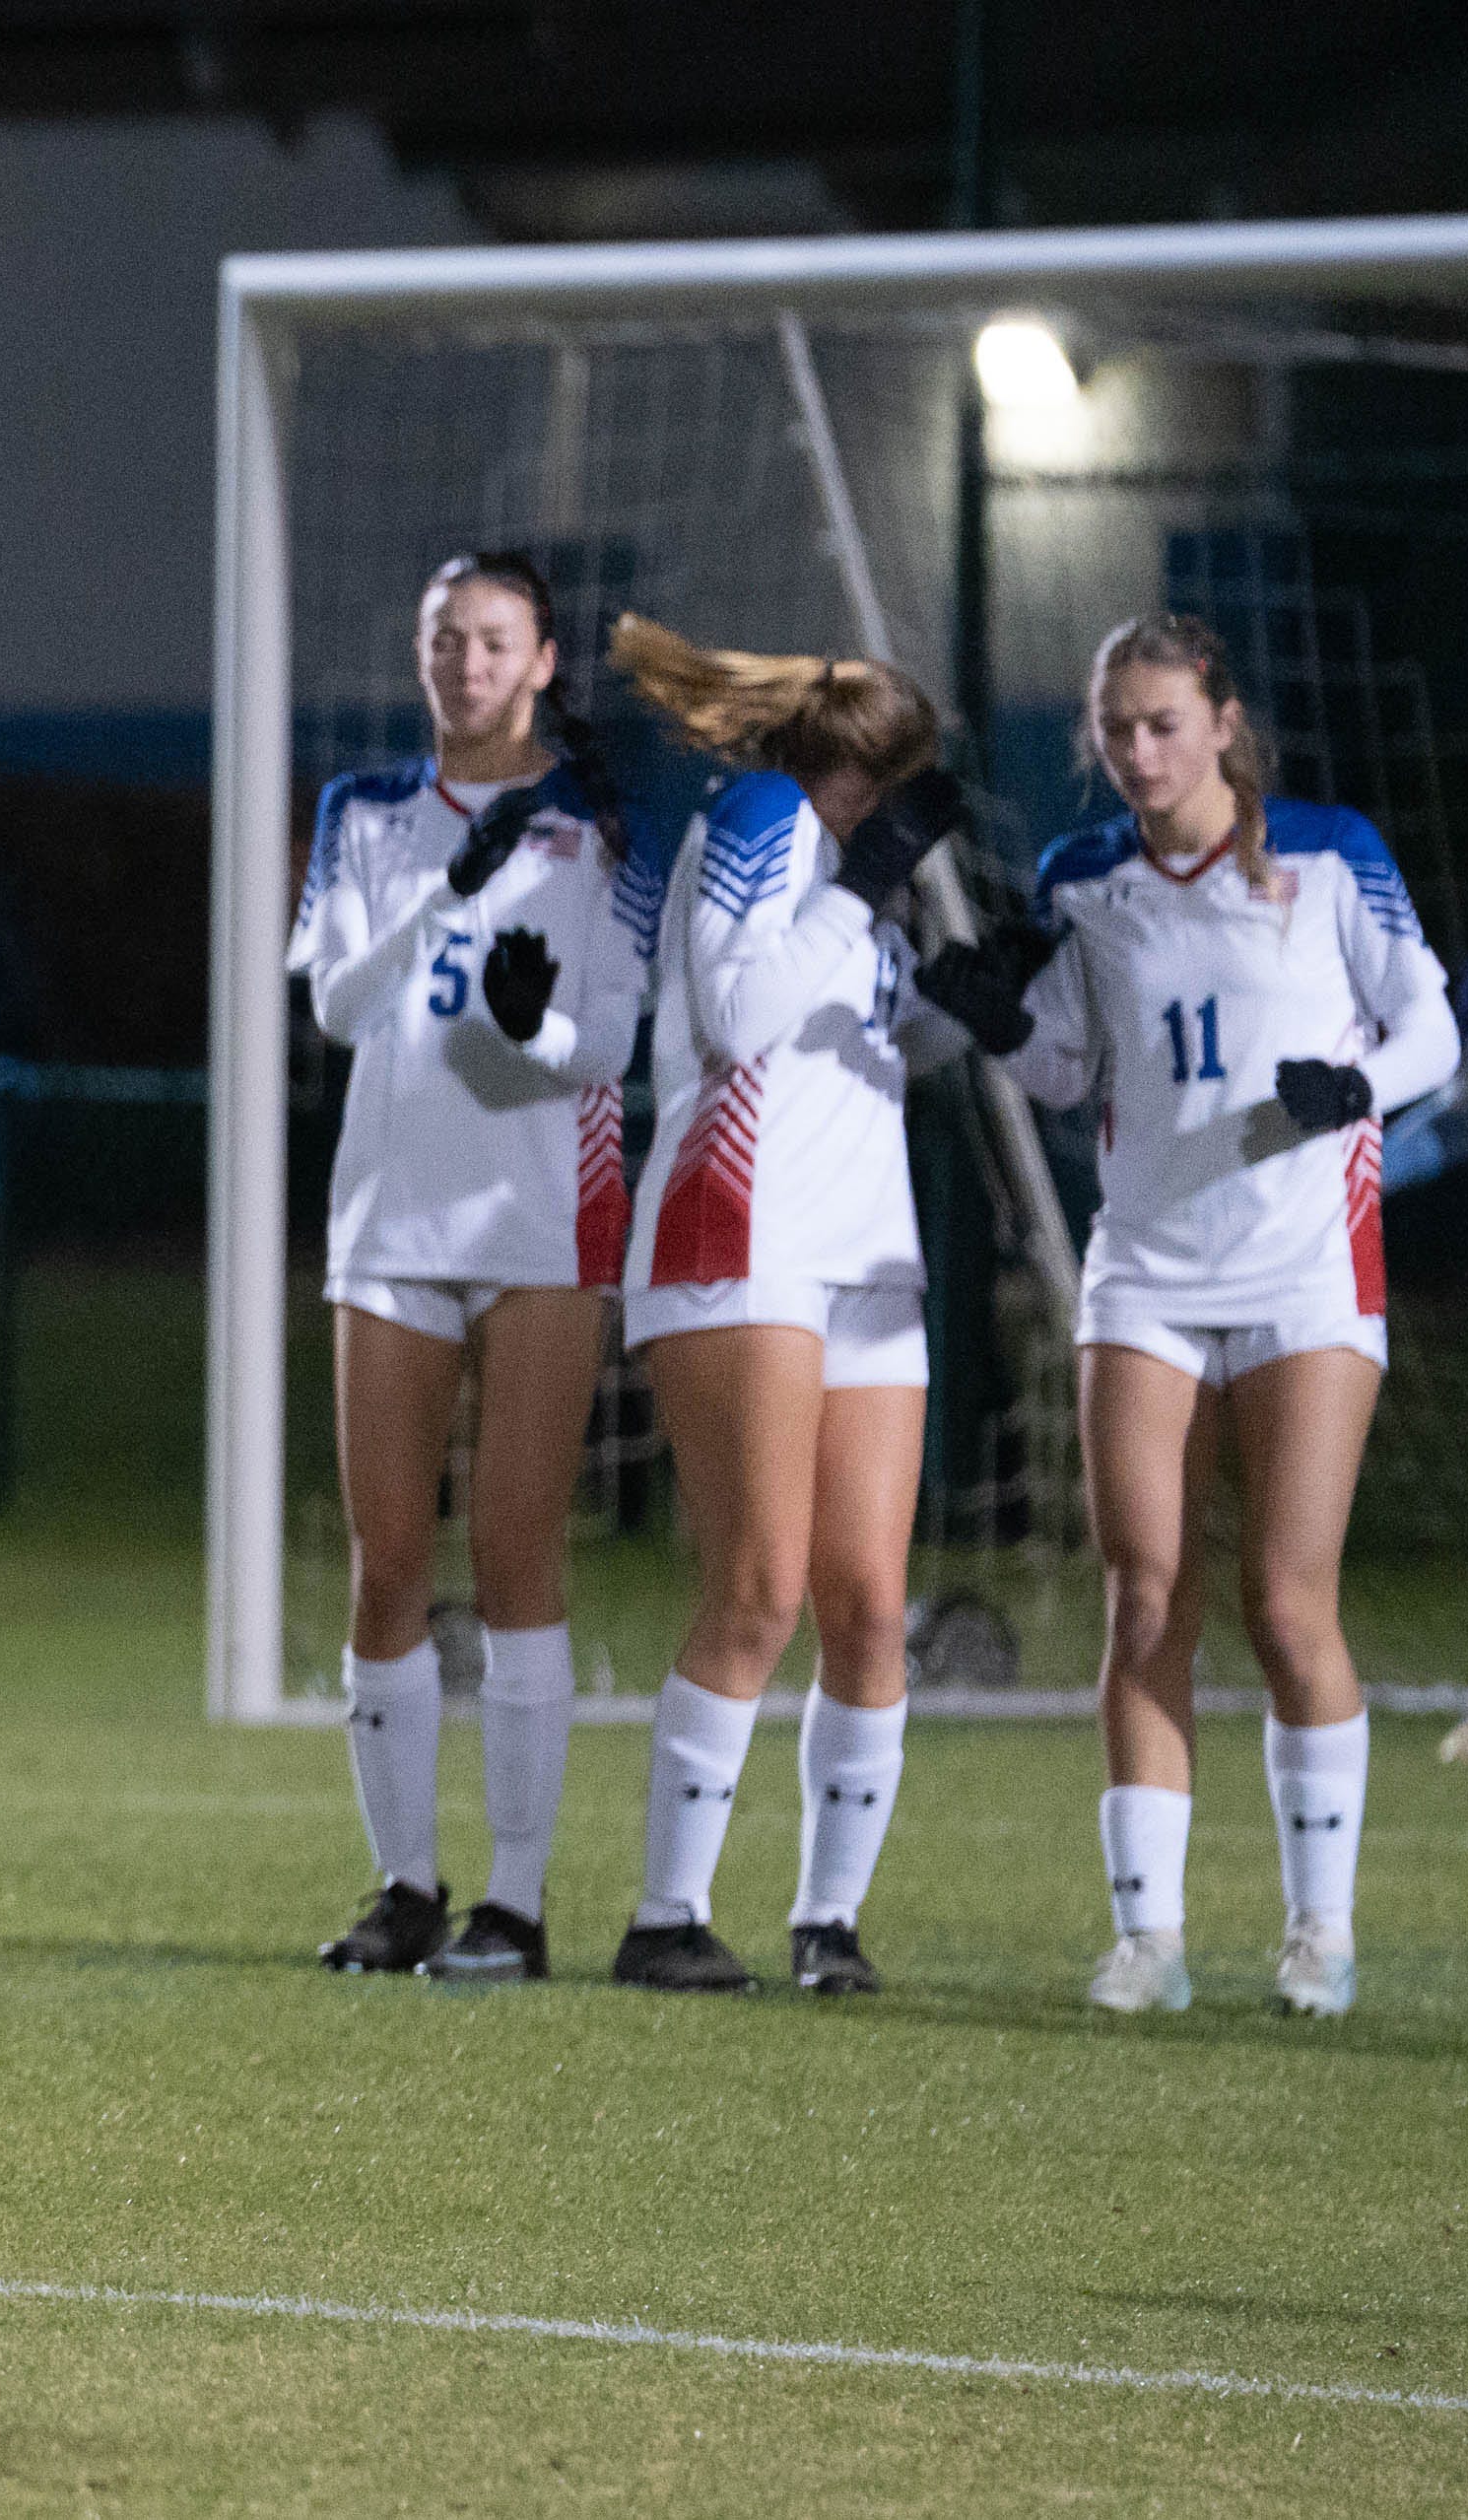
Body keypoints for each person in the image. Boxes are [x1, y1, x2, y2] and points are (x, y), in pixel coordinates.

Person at [914, 614, 1453, 2016]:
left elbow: (1433, 1026)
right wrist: (996, 1022)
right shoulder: (1081, 876)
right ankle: (1148, 1939)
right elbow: (1076, 1065)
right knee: (1145, 1590)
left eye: (1164, 723)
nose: (1139, 753)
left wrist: (1363, 1090)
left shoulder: (1332, 854)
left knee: (1285, 1600)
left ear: (1223, 720)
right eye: (1117, 730)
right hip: (1145, 1266)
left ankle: (1318, 1932)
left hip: (1304, 1268)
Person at [289, 553, 660, 1984]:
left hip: (542, 1222)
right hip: (389, 1222)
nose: (464, 661)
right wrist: (440, 891)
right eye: (444, 637)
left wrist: (533, 1032)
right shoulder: (364, 812)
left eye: (493, 639)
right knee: (388, 1558)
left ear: (545, 660)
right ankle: (404, 1886)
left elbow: (614, 1045)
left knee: (516, 1550)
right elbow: (334, 1002)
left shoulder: (603, 825)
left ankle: (514, 1899)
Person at [604, 615, 966, 1997]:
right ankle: (663, 1914)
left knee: (869, 1601)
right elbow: (740, 1009)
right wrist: (859, 886)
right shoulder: (762, 819)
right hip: (736, 1238)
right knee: (757, 1584)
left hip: (863, 1257)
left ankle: (829, 1921)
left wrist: (956, 1010)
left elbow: (846, 1041)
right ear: (864, 772)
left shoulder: (853, 886)